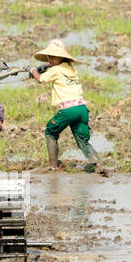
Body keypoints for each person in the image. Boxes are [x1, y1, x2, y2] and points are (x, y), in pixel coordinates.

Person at [27, 39, 99, 172]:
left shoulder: (54, 71)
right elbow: (54, 69)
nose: (50, 59)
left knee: (50, 131)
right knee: (82, 139)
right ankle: (96, 164)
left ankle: (53, 166)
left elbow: (40, 79)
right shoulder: (70, 68)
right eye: (49, 56)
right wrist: (47, 66)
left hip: (68, 110)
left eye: (53, 56)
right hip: (82, 108)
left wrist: (33, 70)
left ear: (61, 57)